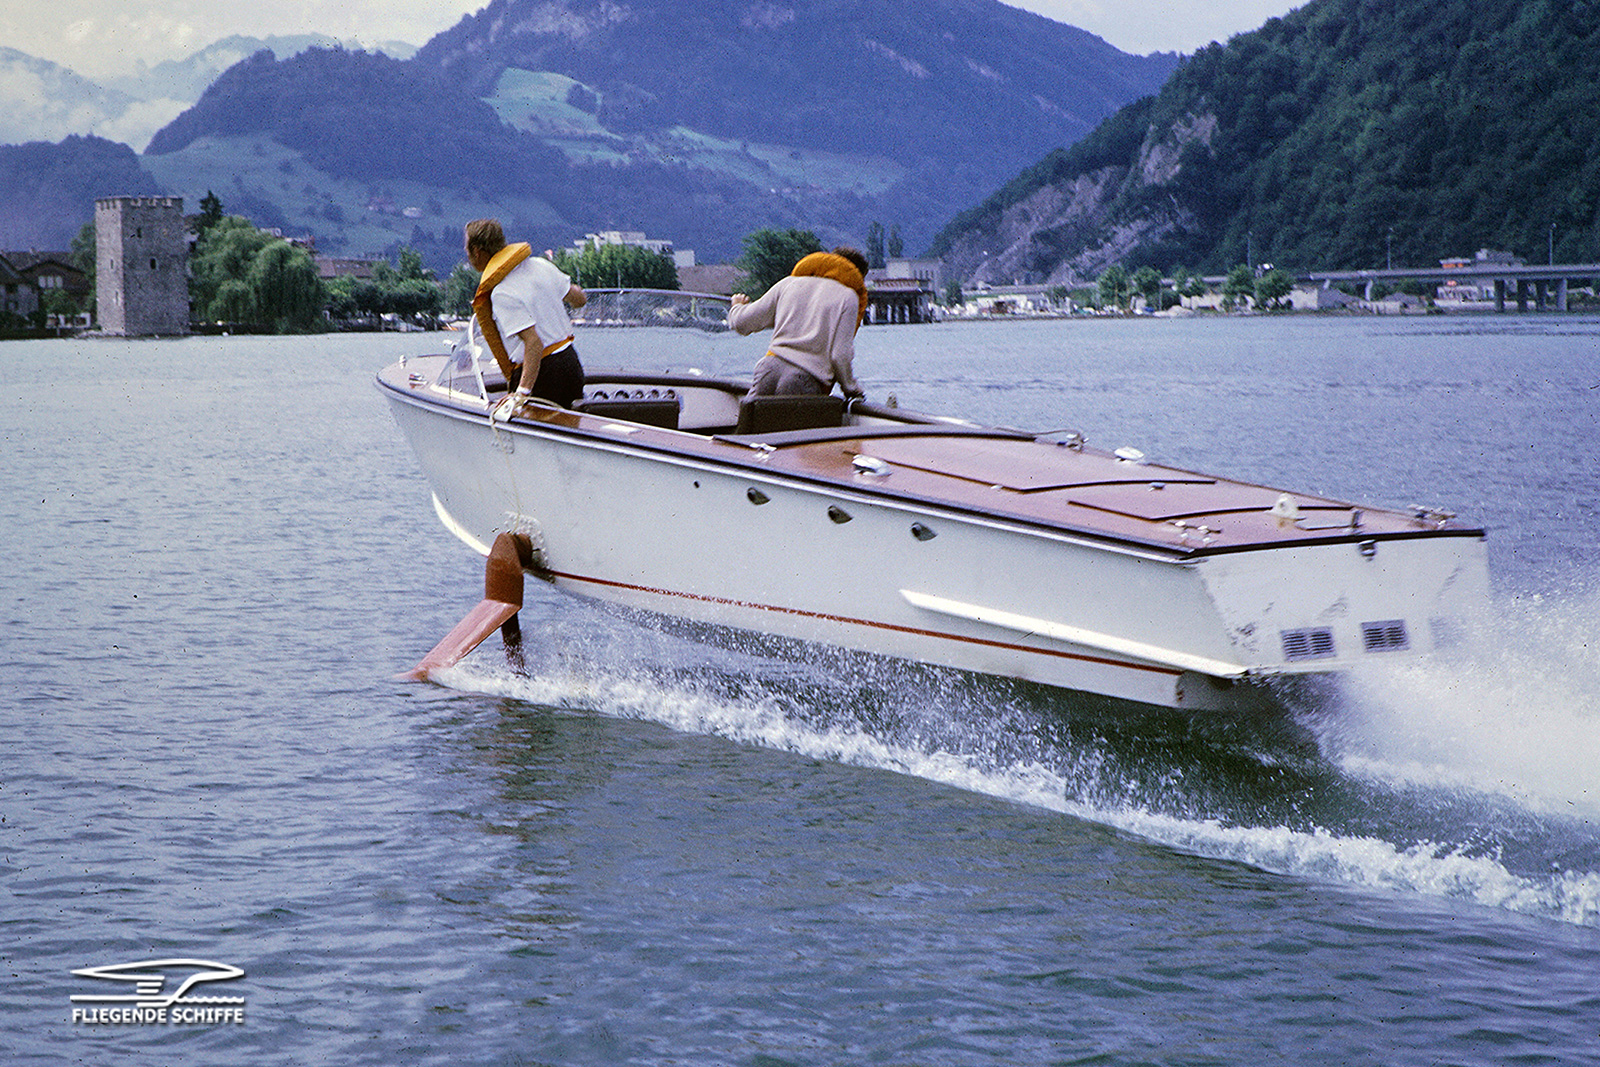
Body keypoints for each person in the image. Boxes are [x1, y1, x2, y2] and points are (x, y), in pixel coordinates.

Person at [463, 218, 587, 410]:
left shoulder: (502, 292)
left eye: (467, 247)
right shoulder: (540, 265)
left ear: (477, 251)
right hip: (570, 363)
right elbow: (579, 300)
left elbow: (533, 342)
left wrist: (521, 393)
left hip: (543, 374)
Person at [728, 246, 868, 399]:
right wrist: (851, 388)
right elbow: (839, 356)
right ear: (857, 275)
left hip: (768, 369)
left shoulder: (789, 283)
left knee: (753, 421)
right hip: (805, 379)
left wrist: (737, 306)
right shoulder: (849, 297)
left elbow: (742, 323)